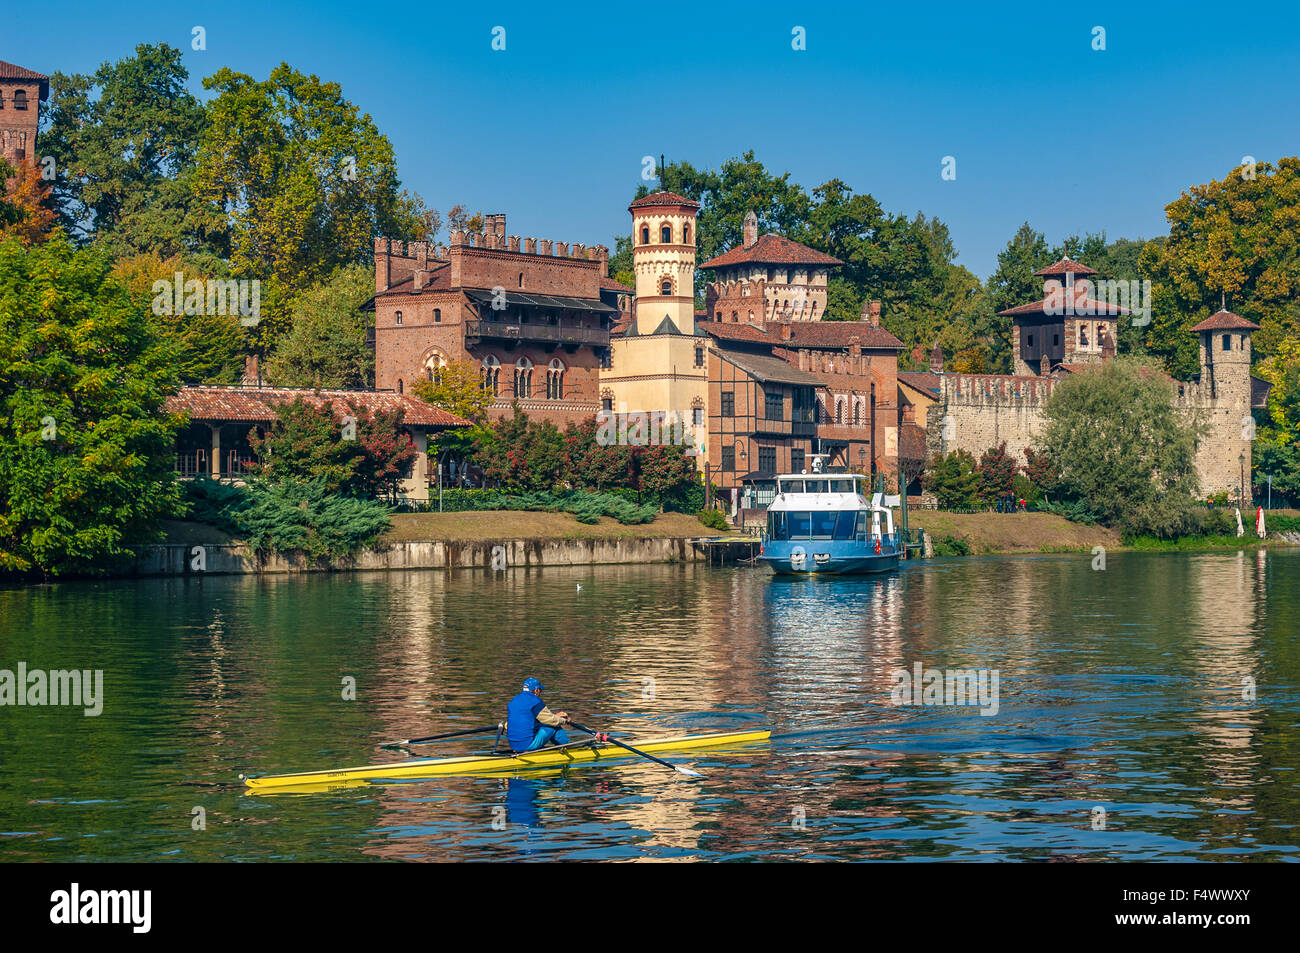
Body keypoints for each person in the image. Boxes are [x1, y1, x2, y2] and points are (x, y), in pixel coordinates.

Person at [506, 677, 572, 753]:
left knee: (542, 725)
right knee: (554, 726)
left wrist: (555, 716)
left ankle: (521, 749)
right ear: (536, 690)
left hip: (513, 745)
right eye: (540, 691)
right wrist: (565, 721)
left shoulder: (514, 700)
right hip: (528, 745)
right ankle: (568, 747)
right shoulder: (535, 701)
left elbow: (527, 719)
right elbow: (551, 721)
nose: (540, 693)